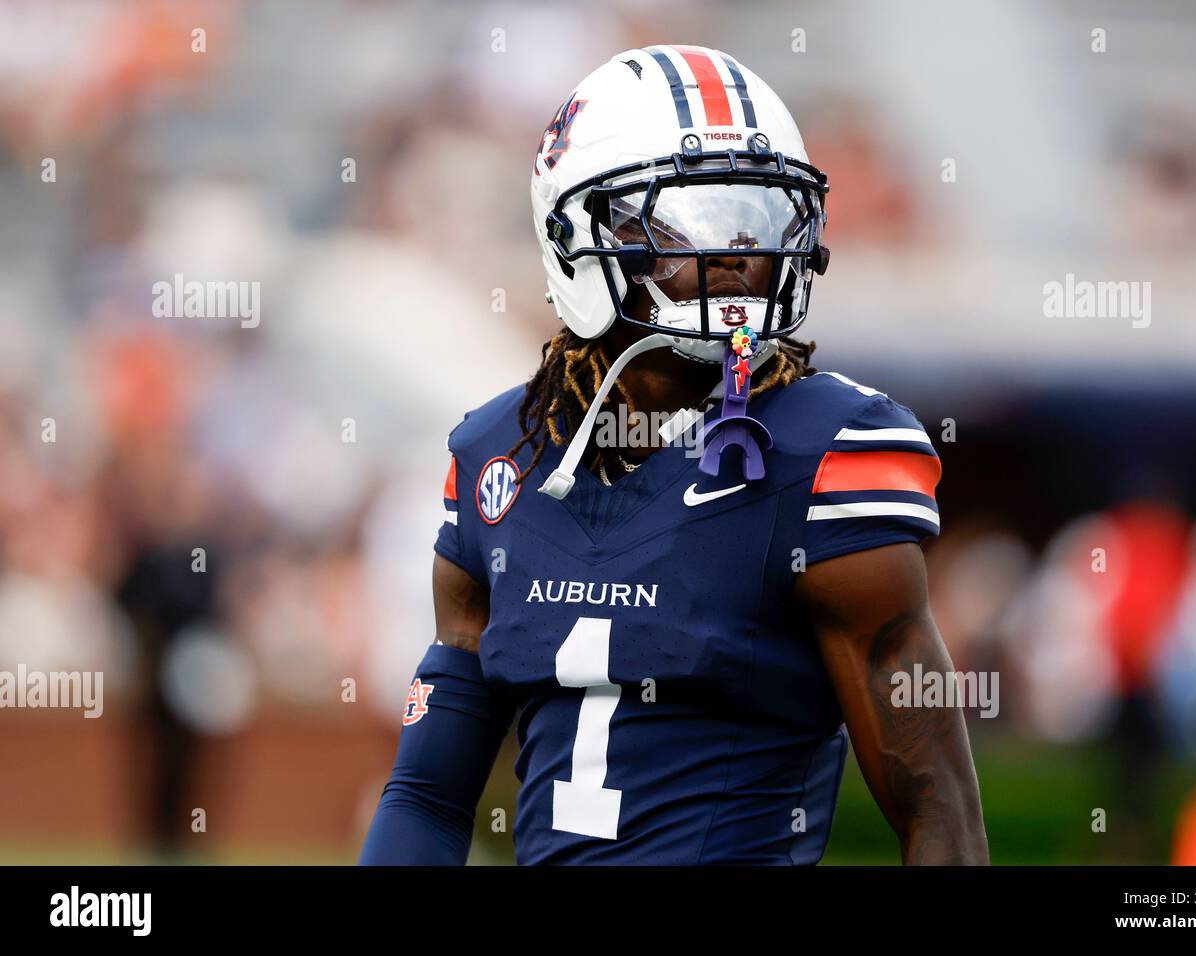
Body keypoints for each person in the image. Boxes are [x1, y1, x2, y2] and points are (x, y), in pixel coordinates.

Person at [360, 45, 988, 865]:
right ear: (578, 234)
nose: (735, 251)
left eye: (758, 214)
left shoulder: (826, 455)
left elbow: (940, 816)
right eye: (694, 216)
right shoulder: (496, 460)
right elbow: (428, 798)